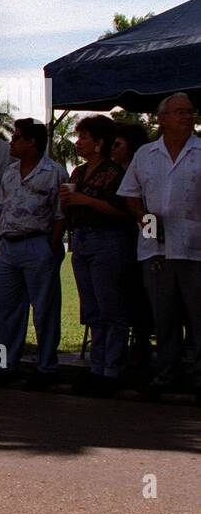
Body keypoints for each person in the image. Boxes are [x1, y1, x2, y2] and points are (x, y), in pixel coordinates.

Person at [118, 92, 201, 401]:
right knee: (163, 316)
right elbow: (130, 193)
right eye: (180, 111)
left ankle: (198, 376)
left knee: (197, 315)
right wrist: (148, 223)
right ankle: (167, 374)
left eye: (190, 111)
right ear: (162, 118)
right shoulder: (146, 155)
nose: (187, 116)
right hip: (155, 248)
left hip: (195, 247)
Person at [0, 118, 65, 389]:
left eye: (18, 137)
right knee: (4, 309)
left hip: (37, 243)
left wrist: (52, 246)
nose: (13, 142)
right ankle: (5, 366)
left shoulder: (53, 172)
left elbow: (60, 214)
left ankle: (47, 368)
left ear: (32, 142)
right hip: (8, 246)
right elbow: (0, 209)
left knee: (44, 309)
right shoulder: (9, 172)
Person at [60, 115, 132, 396]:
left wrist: (86, 200)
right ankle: (96, 367)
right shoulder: (77, 173)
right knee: (91, 308)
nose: (78, 143)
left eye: (84, 138)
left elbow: (124, 211)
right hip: (82, 240)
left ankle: (111, 369)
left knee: (110, 305)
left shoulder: (115, 174)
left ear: (99, 142)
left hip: (107, 240)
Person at [112, 121, 153, 372]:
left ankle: (143, 349)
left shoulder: (143, 169)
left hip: (143, 243)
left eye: (118, 144)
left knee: (143, 297)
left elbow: (144, 208)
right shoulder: (115, 172)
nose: (113, 149)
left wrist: (150, 234)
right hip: (122, 244)